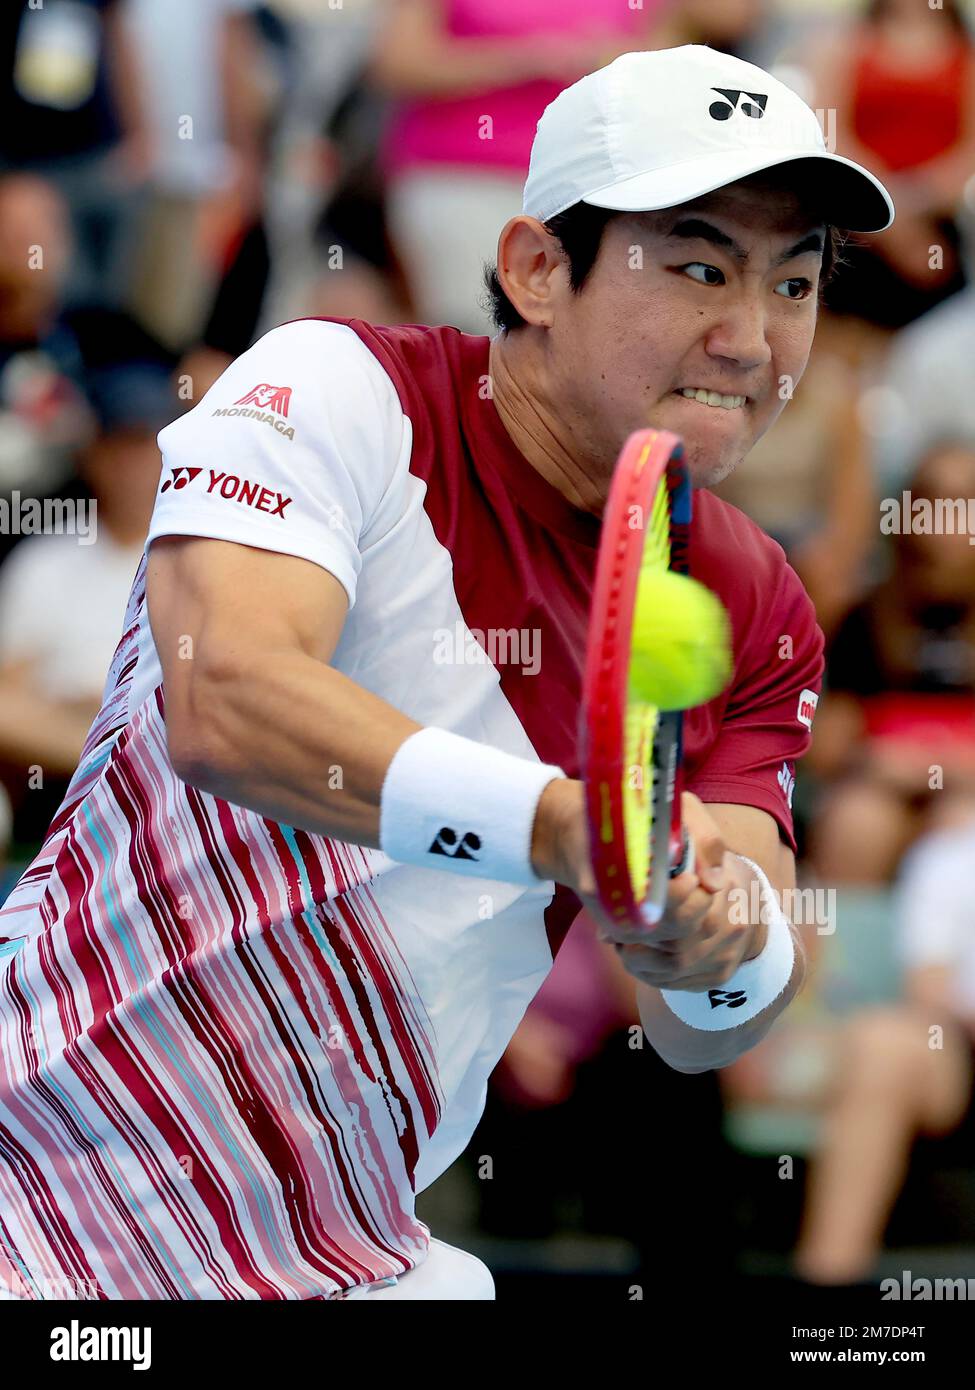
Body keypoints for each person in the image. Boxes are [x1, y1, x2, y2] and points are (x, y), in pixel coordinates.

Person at [0, 45, 894, 1302]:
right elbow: (225, 700)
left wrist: (713, 934)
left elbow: (715, 1023)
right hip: (33, 1179)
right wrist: (562, 827)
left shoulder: (761, 605)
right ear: (536, 270)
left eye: (793, 283)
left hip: (349, 1256)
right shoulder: (333, 388)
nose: (752, 339)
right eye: (700, 268)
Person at [795, 818, 975, 1286]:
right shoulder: (950, 855)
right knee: (880, 1044)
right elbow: (929, 986)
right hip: (959, 1044)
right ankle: (829, 1289)